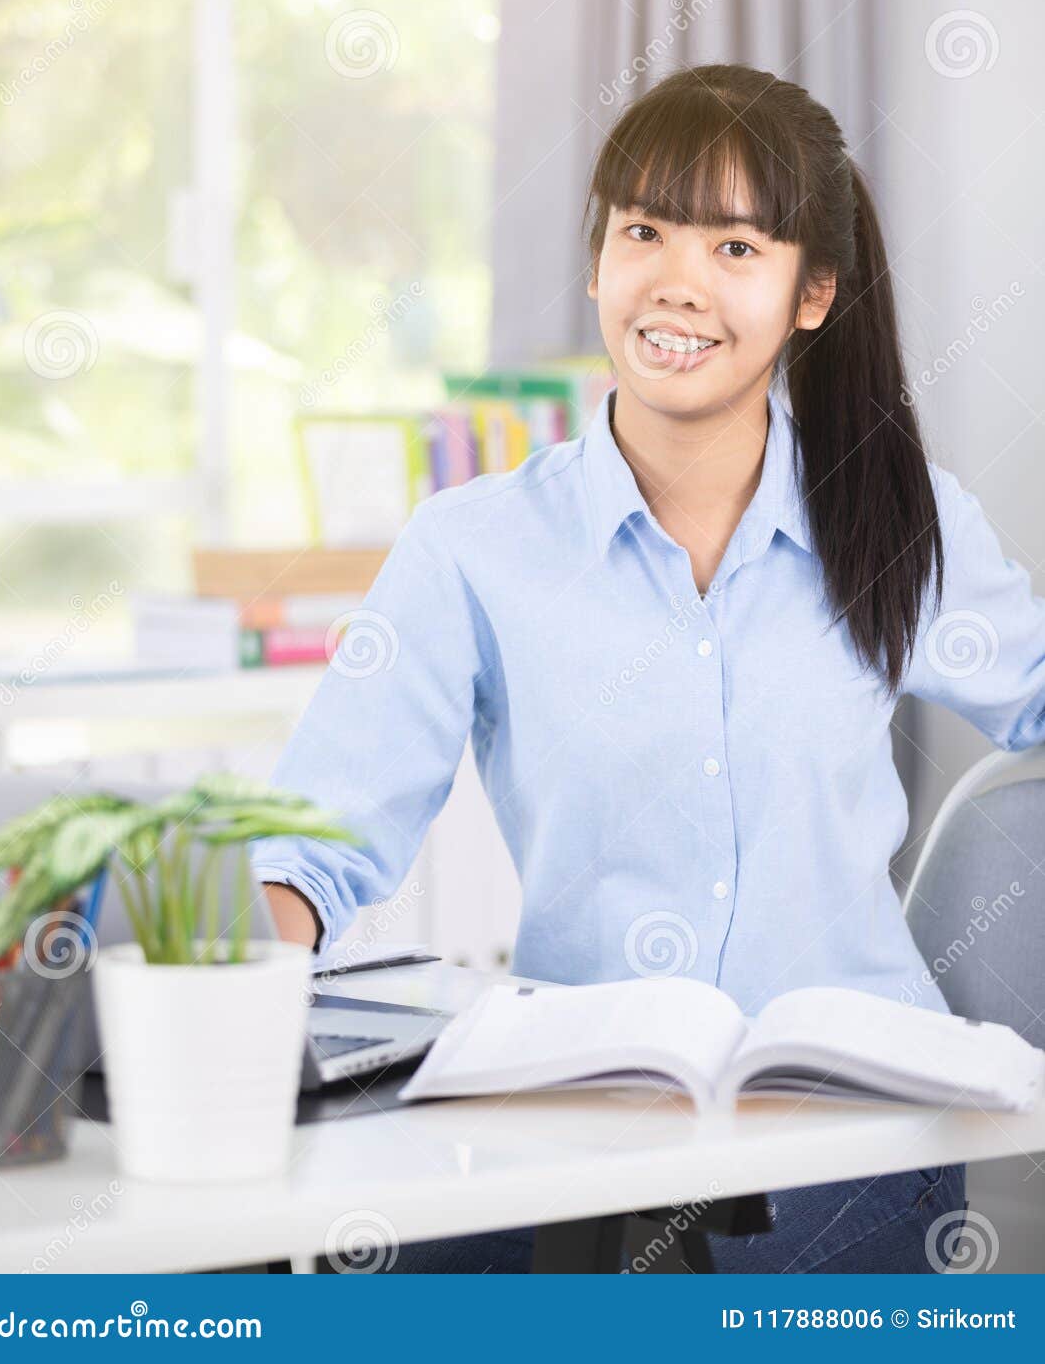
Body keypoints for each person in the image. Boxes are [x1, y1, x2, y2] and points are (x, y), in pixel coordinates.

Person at [255, 63, 1045, 1272]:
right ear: (594, 262)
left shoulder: (896, 521)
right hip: (585, 1131)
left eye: (736, 247)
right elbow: (314, 833)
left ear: (812, 294)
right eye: (643, 231)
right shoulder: (470, 548)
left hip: (858, 1138)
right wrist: (249, 966)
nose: (676, 280)